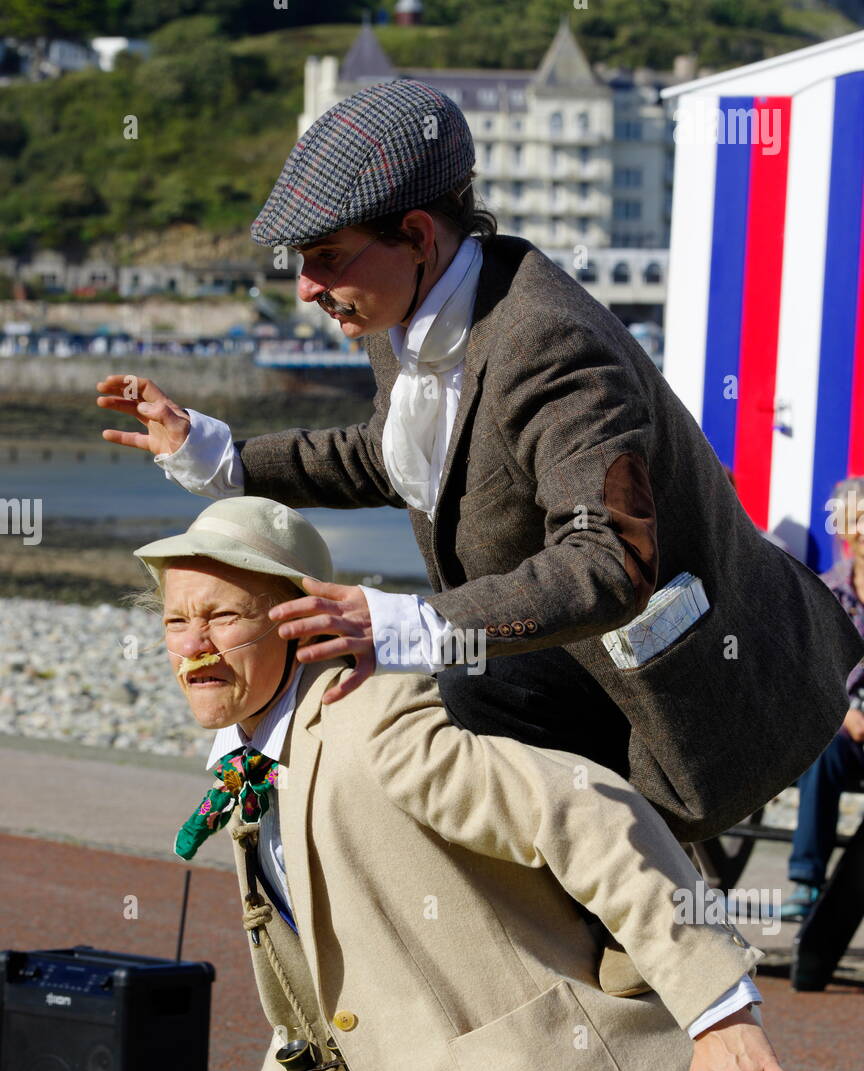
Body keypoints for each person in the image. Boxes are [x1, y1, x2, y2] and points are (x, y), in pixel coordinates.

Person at [98, 77, 864, 847]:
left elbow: (609, 561)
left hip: (690, 699)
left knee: (456, 708)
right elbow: (393, 456)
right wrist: (218, 455)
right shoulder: (401, 310)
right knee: (433, 717)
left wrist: (397, 619)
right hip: (559, 658)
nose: (305, 287)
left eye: (325, 257)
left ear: (418, 235)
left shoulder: (551, 342)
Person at [129, 495, 809, 1071]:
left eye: (222, 618)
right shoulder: (255, 762)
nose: (194, 646)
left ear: (297, 621)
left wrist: (719, 1010)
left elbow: (581, 813)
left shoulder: (372, 721)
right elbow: (335, 932)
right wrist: (285, 1069)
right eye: (177, 621)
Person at [780, 480, 864, 921]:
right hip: (847, 727)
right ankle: (806, 881)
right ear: (845, 530)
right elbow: (807, 670)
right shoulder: (827, 591)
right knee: (823, 749)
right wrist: (845, 712)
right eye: (858, 519)